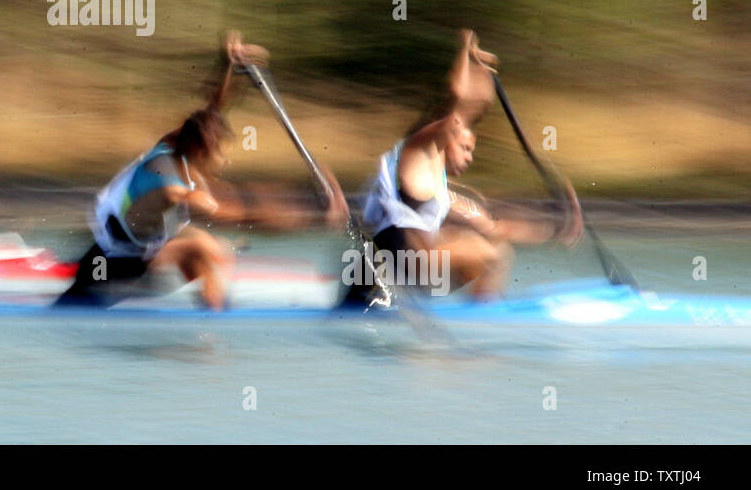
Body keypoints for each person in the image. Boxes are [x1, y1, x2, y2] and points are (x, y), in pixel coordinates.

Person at [56, 32, 296, 310]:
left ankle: (217, 310)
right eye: (222, 154)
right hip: (111, 269)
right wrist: (288, 217)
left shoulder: (176, 145)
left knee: (216, 250)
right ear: (203, 151)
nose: (226, 162)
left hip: (125, 253)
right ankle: (216, 325)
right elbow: (227, 213)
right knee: (205, 250)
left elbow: (212, 112)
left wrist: (228, 66)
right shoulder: (171, 189)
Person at [344, 30, 581, 306]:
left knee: (493, 247)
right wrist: (466, 52)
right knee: (492, 255)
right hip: (394, 263)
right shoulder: (418, 155)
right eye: (466, 148)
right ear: (448, 136)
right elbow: (458, 101)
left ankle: (480, 310)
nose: (470, 157)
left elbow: (494, 229)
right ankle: (486, 317)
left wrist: (555, 230)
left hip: (389, 270)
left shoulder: (437, 185)